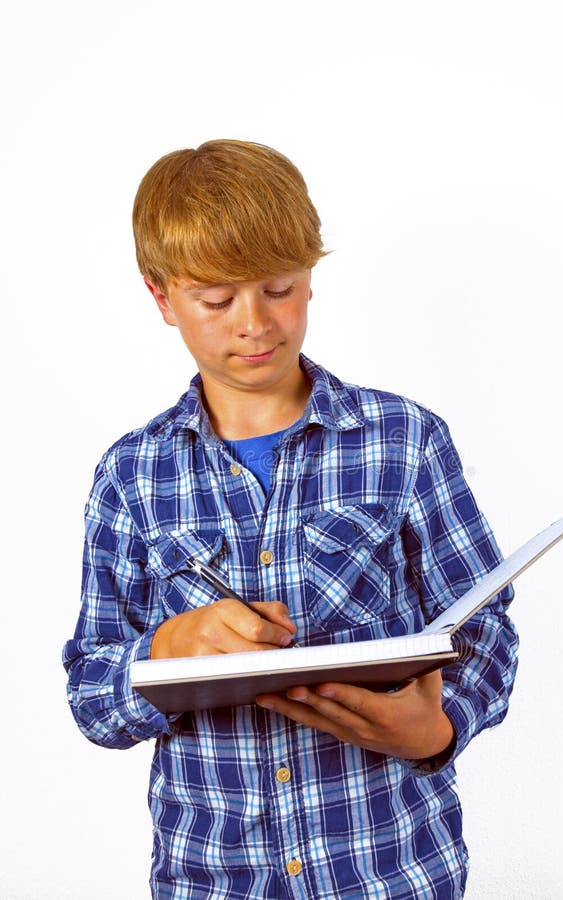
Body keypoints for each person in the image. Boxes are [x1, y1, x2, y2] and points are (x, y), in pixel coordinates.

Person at [63, 139, 519, 900]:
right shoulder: (131, 476)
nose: (255, 324)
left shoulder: (402, 441)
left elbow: (487, 628)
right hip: (213, 879)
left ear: (311, 279)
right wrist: (167, 648)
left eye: (280, 288)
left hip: (389, 872)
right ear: (162, 299)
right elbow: (90, 698)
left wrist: (438, 730)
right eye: (216, 300)